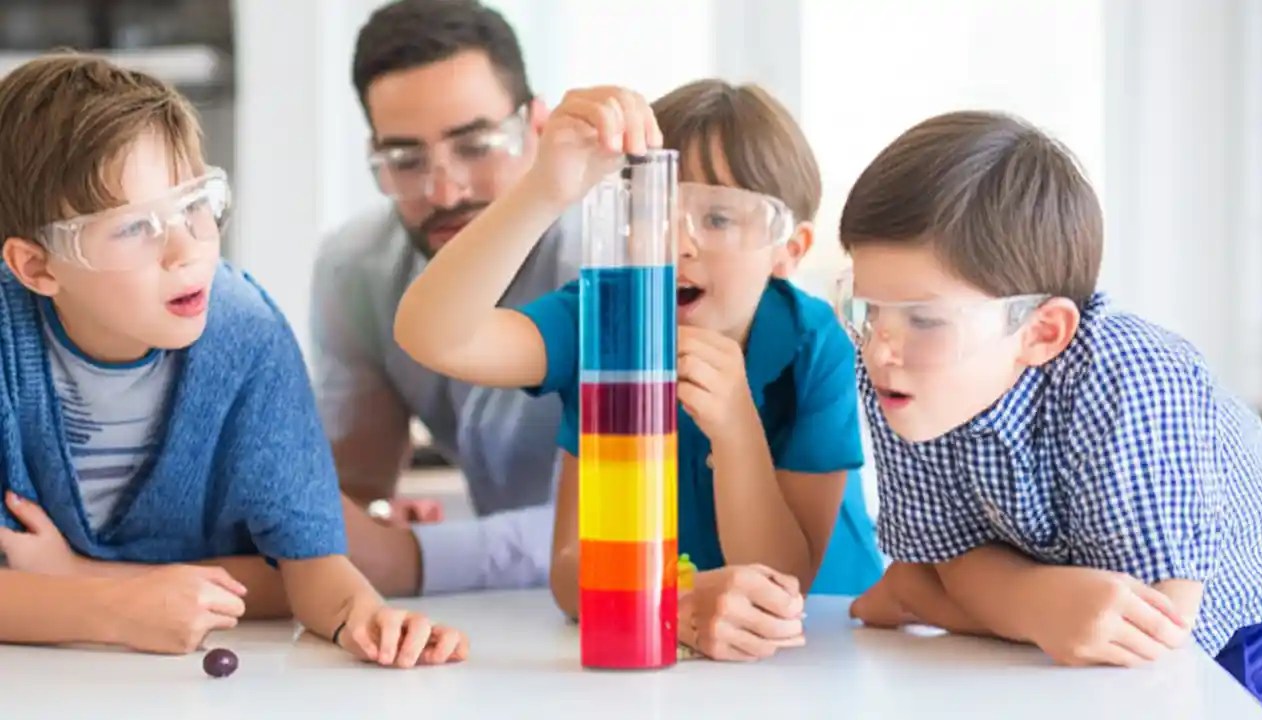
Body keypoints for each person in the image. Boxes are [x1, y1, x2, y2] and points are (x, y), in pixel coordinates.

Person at [0, 53, 467, 667]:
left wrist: (366, 617)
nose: (186, 249)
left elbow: (308, 567)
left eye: (195, 204)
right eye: (135, 227)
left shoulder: (245, 330)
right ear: (36, 267)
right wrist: (116, 610)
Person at [393, 80, 884, 661]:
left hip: (828, 650)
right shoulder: (606, 322)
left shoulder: (814, 343)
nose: (677, 244)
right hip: (680, 652)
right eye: (654, 209)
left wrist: (736, 432)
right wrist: (545, 192)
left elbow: (781, 583)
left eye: (719, 218)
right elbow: (434, 337)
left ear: (790, 248)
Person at [838, 110, 1262, 713]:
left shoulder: (1132, 377)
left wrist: (944, 600)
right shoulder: (901, 368)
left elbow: (1151, 627)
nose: (879, 346)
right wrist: (1032, 604)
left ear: (1041, 332)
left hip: (1243, 642)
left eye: (923, 317)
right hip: (1067, 647)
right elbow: (947, 563)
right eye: (867, 309)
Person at [314, 0, 577, 597]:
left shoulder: (611, 262)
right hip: (490, 623)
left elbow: (643, 517)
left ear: (538, 129)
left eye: (476, 145)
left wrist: (409, 558)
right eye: (405, 160)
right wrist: (377, 522)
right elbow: (353, 492)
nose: (443, 189)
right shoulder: (355, 268)